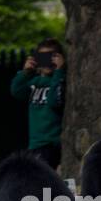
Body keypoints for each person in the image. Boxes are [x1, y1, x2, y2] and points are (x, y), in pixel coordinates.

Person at [9, 38, 66, 168]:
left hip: (52, 144)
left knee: (47, 183)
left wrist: (59, 71)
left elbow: (54, 101)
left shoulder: (59, 80)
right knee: (39, 182)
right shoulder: (34, 82)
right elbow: (16, 91)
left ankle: (48, 190)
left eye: (51, 57)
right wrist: (26, 72)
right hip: (35, 144)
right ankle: (46, 190)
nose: (46, 62)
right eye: (43, 58)